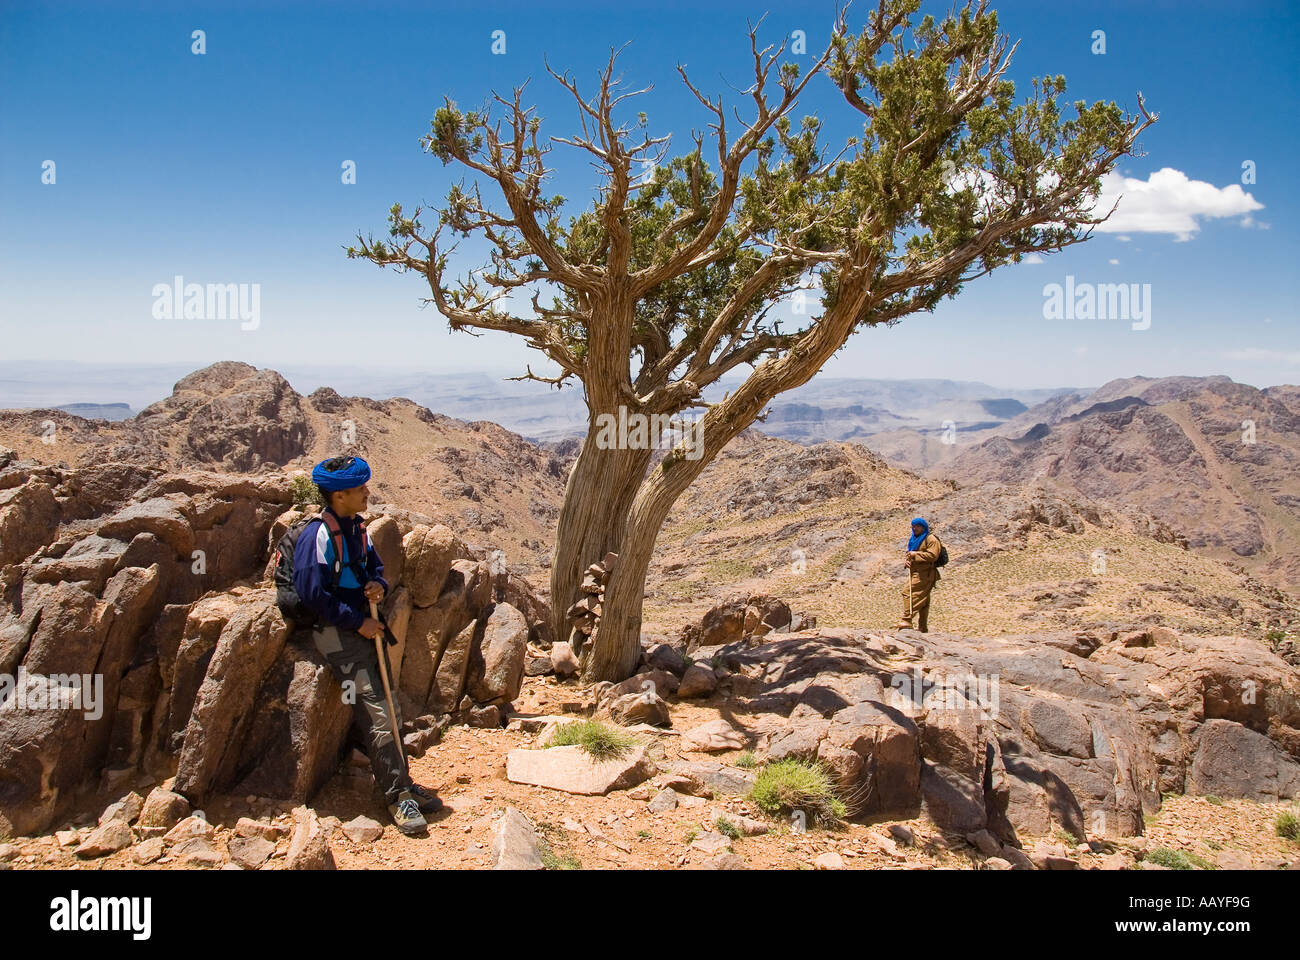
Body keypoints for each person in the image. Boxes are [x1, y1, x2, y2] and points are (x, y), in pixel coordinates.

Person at [292, 455, 442, 835]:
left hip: (362, 626)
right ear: (339, 495)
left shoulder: (357, 530)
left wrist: (380, 585)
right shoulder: (318, 536)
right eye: (360, 489)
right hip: (337, 633)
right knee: (378, 712)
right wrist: (358, 622)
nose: (367, 493)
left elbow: (374, 569)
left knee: (387, 706)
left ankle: (402, 783)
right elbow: (313, 594)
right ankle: (397, 797)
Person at [894, 517, 942, 633]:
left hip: (926, 574)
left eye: (917, 526)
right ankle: (922, 627)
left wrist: (916, 554)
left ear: (923, 527)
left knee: (908, 593)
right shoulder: (915, 539)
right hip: (916, 572)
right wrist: (908, 561)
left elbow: (933, 555)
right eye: (913, 526)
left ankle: (907, 620)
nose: (914, 528)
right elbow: (910, 553)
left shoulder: (931, 539)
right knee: (924, 601)